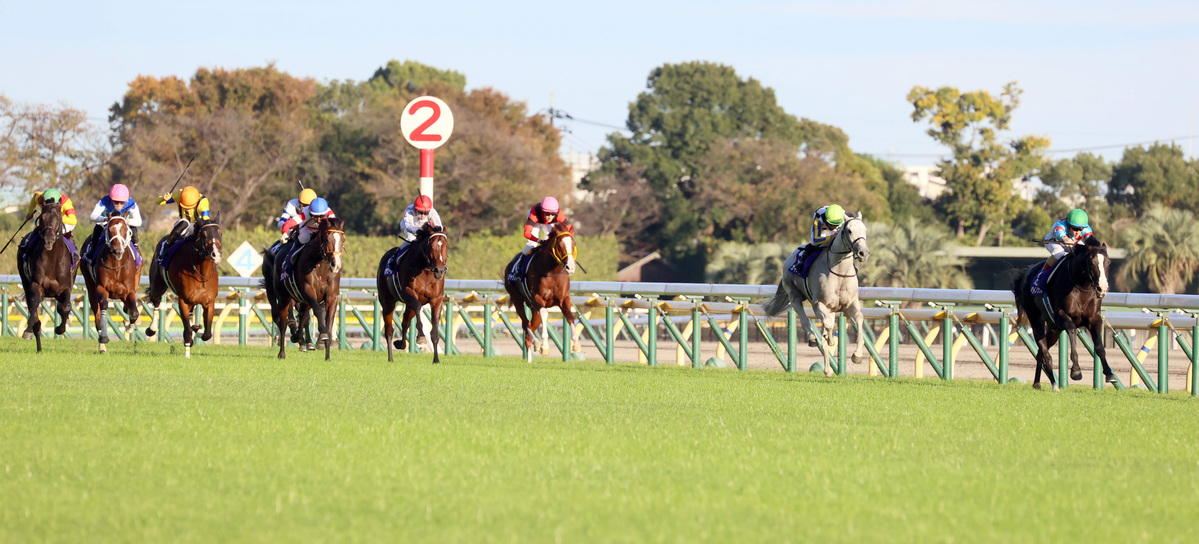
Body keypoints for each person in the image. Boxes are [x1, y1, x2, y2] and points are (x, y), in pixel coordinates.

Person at [1032, 208, 1095, 296]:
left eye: (1081, 229)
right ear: (1069, 225)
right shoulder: (1060, 225)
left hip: (1071, 243)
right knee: (1059, 253)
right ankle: (1042, 274)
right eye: (1075, 229)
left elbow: (1090, 240)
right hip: (1054, 241)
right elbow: (1060, 233)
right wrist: (1065, 238)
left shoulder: (1086, 229)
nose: (1078, 232)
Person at [86, 184, 143, 262]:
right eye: (116, 202)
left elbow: (139, 221)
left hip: (123, 225)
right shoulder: (104, 201)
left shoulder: (131, 203)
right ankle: (92, 250)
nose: (119, 205)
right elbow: (93, 216)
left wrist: (126, 221)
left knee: (133, 229)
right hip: (107, 224)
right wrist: (105, 219)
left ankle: (136, 251)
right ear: (111, 199)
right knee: (98, 227)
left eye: (122, 203)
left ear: (126, 201)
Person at [508, 196, 560, 282]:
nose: (550, 216)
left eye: (552, 214)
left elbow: (569, 229)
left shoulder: (559, 214)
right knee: (532, 244)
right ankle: (517, 268)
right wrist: (539, 240)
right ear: (543, 211)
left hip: (546, 221)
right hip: (535, 221)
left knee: (551, 241)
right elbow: (527, 233)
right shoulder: (534, 214)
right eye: (547, 214)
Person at [21, 189, 78, 261]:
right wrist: (30, 212)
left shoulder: (66, 204)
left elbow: (74, 221)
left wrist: (57, 218)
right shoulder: (39, 197)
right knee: (40, 229)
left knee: (64, 231)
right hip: (48, 218)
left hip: (64, 220)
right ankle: (27, 244)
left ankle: (74, 251)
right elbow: (34, 196)